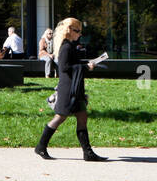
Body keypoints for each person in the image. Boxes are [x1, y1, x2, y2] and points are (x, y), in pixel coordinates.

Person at [35, 17, 109, 162]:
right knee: (60, 117)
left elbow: (72, 64)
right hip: (68, 89)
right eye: (77, 31)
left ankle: (88, 152)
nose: (79, 34)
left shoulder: (70, 45)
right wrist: (85, 67)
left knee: (82, 117)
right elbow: (64, 68)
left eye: (80, 31)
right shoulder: (66, 46)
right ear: (69, 30)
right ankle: (41, 146)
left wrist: (87, 64)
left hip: (75, 88)